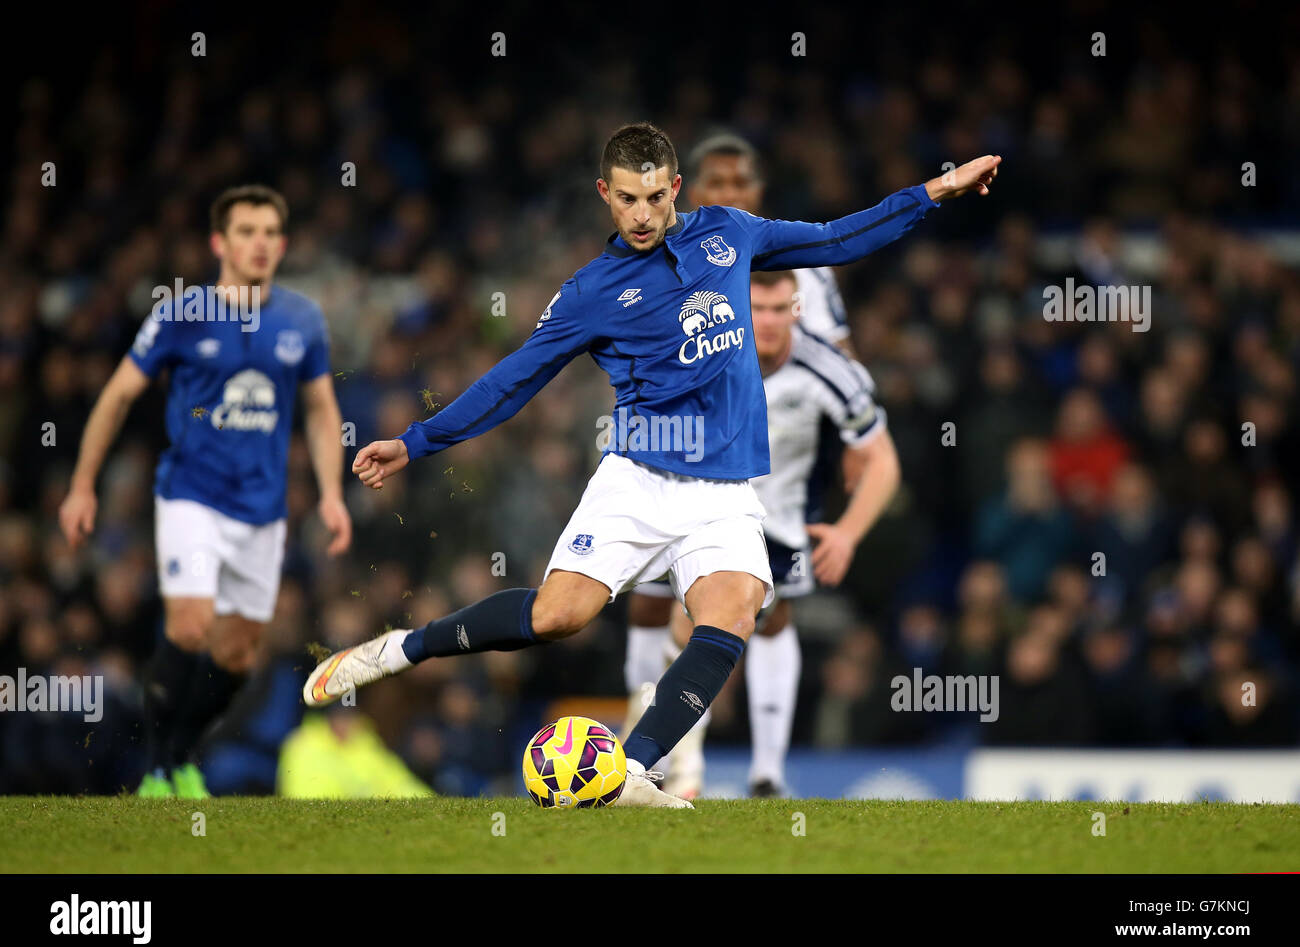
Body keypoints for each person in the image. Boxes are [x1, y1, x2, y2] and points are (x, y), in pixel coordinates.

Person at [306, 122, 999, 809]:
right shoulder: (590, 292)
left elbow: (835, 239)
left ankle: (630, 770)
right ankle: (402, 649)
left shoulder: (729, 232)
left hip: (723, 492)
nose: (642, 215)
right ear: (605, 194)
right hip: (638, 483)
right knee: (557, 617)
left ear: (676, 189)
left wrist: (934, 191)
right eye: (627, 200)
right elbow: (513, 379)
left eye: (655, 198)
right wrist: (417, 441)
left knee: (734, 610)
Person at [59, 185, 352, 798]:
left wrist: (330, 493)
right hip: (191, 496)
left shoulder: (301, 319)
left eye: (270, 233)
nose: (259, 244)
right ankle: (158, 770)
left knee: (238, 654)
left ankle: (181, 754)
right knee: (190, 628)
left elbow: (322, 409)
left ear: (282, 245)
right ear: (220, 242)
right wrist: (83, 485)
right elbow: (117, 396)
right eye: (246, 231)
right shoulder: (180, 315)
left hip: (264, 508)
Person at [633, 270, 901, 799]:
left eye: (781, 310)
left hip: (778, 521)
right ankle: (676, 768)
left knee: (773, 621)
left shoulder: (827, 368)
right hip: (703, 508)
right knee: (689, 624)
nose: (770, 322)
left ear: (797, 309)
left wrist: (847, 534)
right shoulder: (700, 354)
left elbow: (883, 461)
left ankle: (764, 775)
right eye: (758, 309)